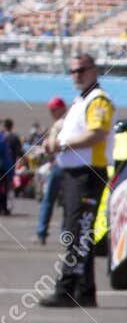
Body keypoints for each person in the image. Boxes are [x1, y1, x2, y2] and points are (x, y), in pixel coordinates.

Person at [41, 54, 113, 309]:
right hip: (76, 175)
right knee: (81, 232)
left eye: (81, 70)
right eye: (72, 71)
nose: (76, 75)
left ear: (94, 70)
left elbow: (97, 134)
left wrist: (61, 144)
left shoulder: (98, 100)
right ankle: (85, 290)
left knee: (76, 231)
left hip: (87, 174)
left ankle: (67, 289)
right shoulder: (81, 101)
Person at [35, 95, 67, 245]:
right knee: (67, 202)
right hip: (69, 166)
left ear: (61, 109)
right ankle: (66, 235)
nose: (51, 113)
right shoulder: (71, 121)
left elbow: (52, 147)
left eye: (54, 109)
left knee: (49, 199)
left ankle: (42, 232)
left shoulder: (59, 124)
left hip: (60, 165)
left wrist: (47, 146)